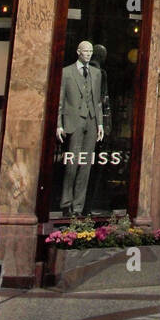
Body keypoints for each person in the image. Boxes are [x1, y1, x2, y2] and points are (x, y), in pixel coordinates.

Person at [56, 40, 106, 216]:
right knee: (71, 163)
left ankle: (78, 207)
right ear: (78, 52)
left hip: (91, 119)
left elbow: (97, 101)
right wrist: (59, 124)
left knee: (85, 165)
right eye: (85, 51)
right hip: (74, 120)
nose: (89, 54)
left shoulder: (96, 73)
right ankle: (66, 203)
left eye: (91, 51)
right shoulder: (66, 72)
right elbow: (60, 101)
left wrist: (100, 123)